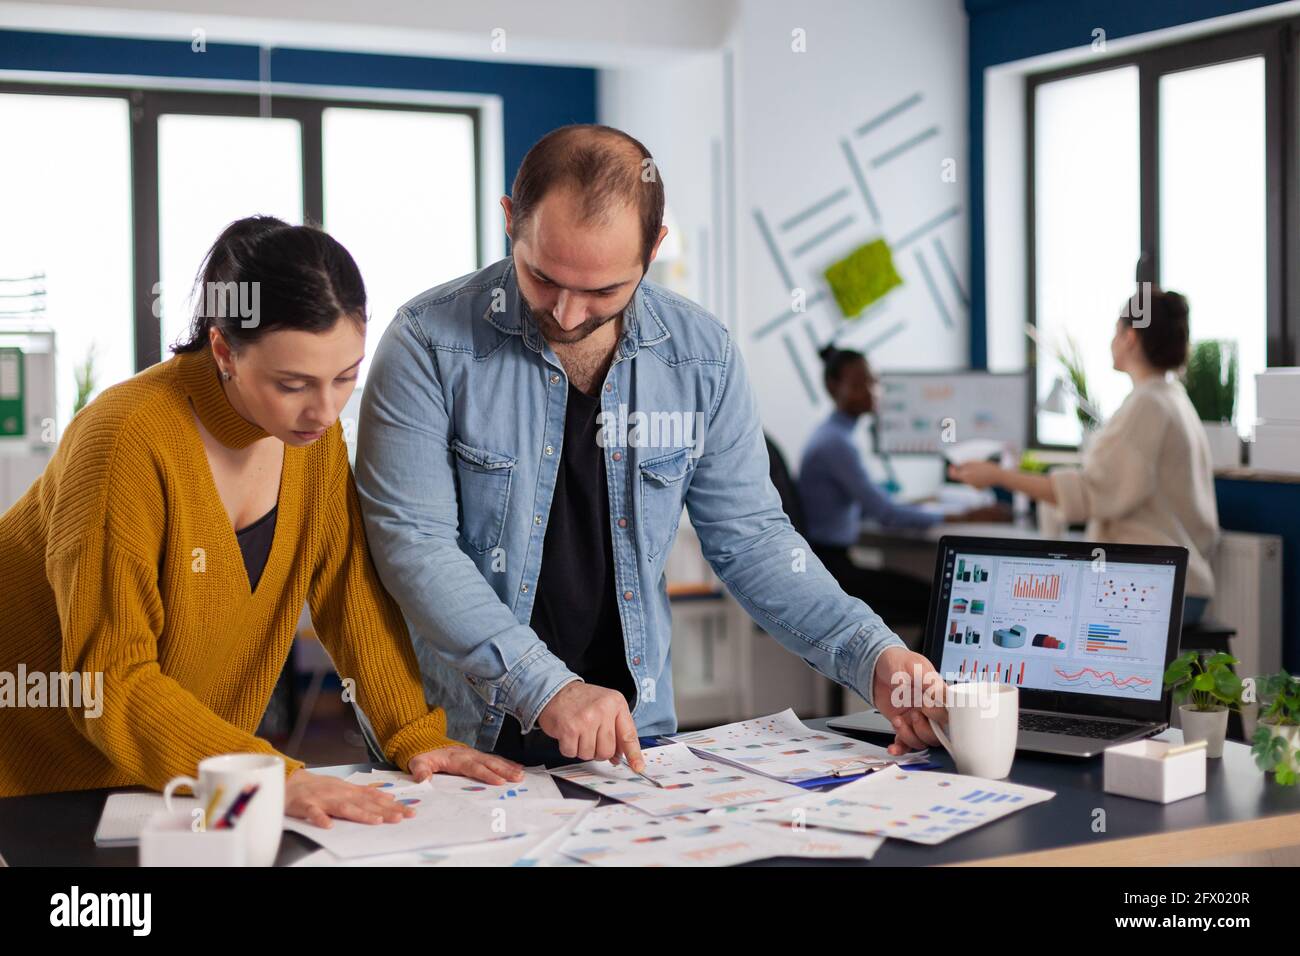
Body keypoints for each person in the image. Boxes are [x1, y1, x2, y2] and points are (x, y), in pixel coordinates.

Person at [355, 124, 946, 772]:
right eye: (543, 278)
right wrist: (545, 685)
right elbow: (415, 546)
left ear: (654, 247)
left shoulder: (702, 357)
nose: (570, 314)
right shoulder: (427, 344)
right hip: (458, 737)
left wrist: (873, 654)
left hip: (632, 742)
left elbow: (752, 539)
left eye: (603, 291)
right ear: (508, 220)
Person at [0, 216, 523, 821]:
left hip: (167, 784)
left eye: (345, 377)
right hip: (31, 776)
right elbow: (108, 682)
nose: (325, 410)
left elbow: (348, 594)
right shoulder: (124, 440)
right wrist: (269, 778)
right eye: (292, 383)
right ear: (224, 350)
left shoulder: (313, 443)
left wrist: (414, 732)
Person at [948, 289, 1218, 626]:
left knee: (1021, 609)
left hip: (1153, 587)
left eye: (1114, 332)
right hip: (1170, 581)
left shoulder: (1147, 406)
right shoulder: (1172, 399)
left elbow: (1091, 493)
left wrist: (997, 475)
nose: (1111, 341)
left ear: (1129, 337)